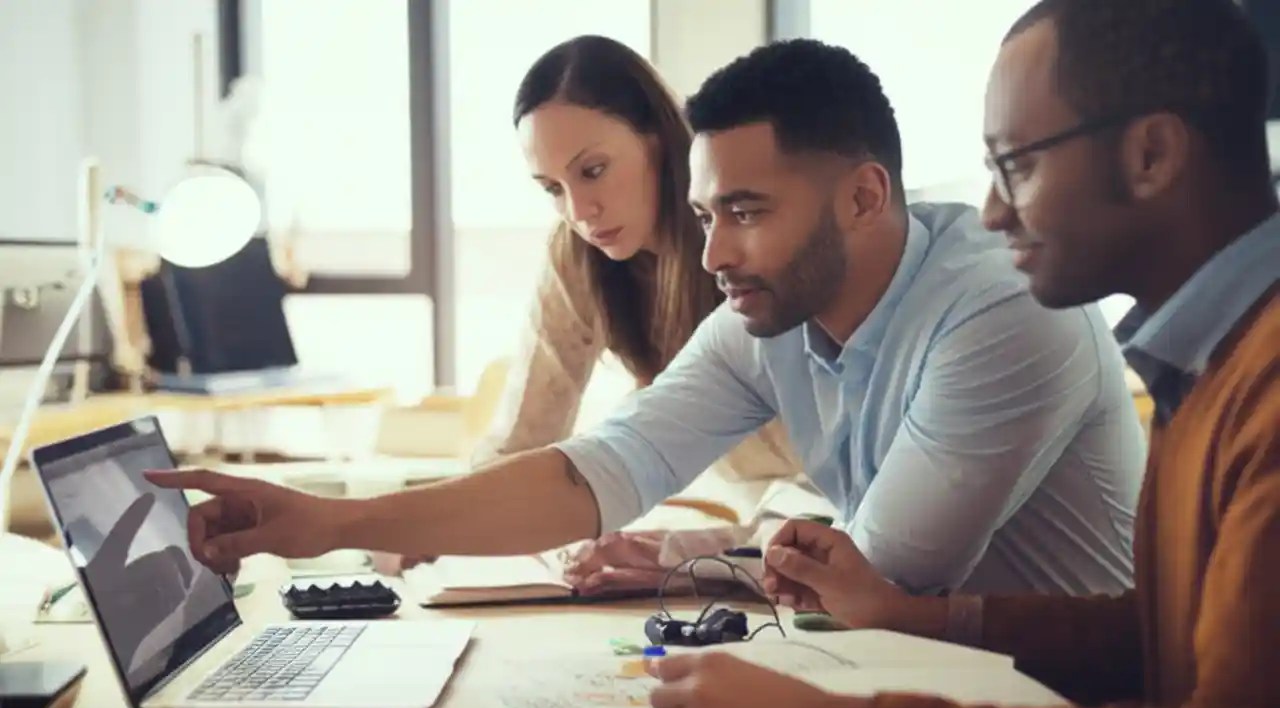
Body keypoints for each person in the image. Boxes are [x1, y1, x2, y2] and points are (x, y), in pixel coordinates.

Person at [148, 39, 1146, 602]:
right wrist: (333, 524)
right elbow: (595, 471)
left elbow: (877, 575)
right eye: (707, 216)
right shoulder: (771, 318)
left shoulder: (998, 306)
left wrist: (680, 556)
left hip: (1073, 696)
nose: (710, 257)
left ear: (861, 197)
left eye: (745, 214)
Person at [647, 1, 1280, 708]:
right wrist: (909, 615)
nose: (992, 212)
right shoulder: (1206, 358)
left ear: (1150, 156)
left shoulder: (1267, 391)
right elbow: (1164, 638)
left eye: (1017, 166)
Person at [376, 35, 807, 585]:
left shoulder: (754, 240)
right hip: (756, 535)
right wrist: (423, 528)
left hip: (826, 531)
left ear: (656, 139)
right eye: (552, 188)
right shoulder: (581, 256)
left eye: (593, 170)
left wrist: (691, 555)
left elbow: (842, 484)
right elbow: (524, 439)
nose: (580, 212)